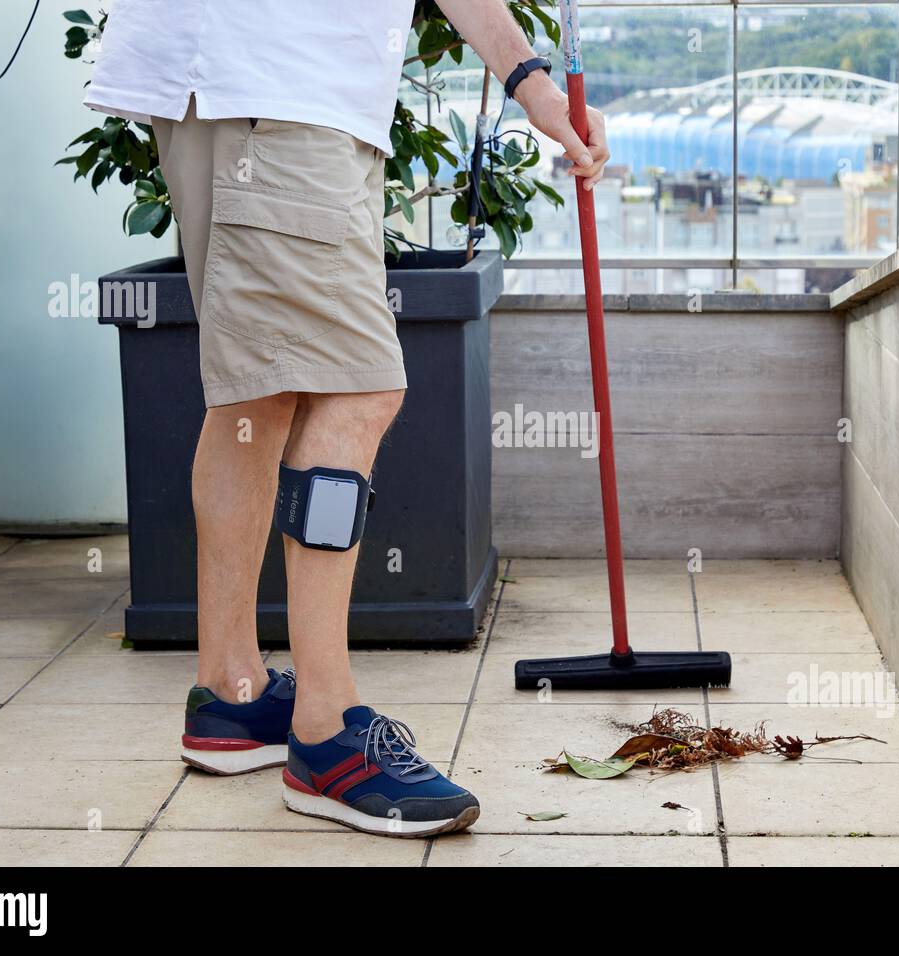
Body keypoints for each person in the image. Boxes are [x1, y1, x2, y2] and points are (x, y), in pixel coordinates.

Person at [84, 0, 608, 838]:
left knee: (260, 393)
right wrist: (530, 80)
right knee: (358, 390)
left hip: (248, 81)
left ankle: (231, 695)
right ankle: (326, 733)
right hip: (279, 80)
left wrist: (528, 80)